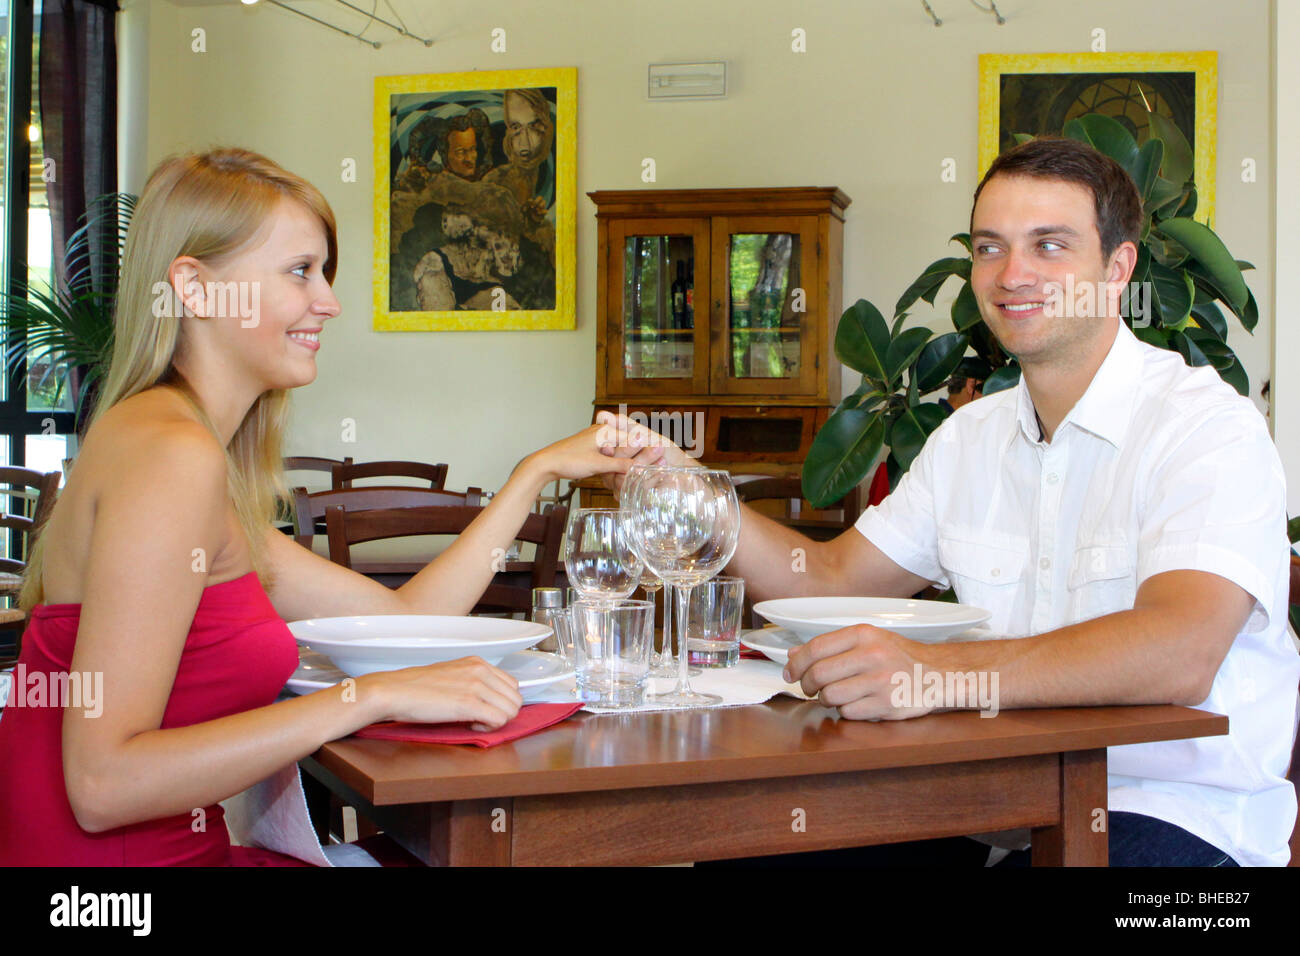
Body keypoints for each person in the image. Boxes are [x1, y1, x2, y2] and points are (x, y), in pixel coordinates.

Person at [600, 136, 1298, 867]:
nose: (1013, 274)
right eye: (991, 248)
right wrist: (689, 488)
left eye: (1050, 246)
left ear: (1117, 269)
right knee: (754, 846)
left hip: (1169, 815)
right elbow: (833, 580)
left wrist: (934, 678)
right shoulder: (969, 438)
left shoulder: (1205, 426)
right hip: (987, 803)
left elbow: (1180, 650)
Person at [0, 147, 635, 866]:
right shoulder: (170, 457)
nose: (329, 301)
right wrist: (366, 698)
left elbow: (406, 622)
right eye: (300, 271)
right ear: (196, 287)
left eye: (324, 272)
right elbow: (103, 783)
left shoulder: (178, 447)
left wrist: (535, 472)